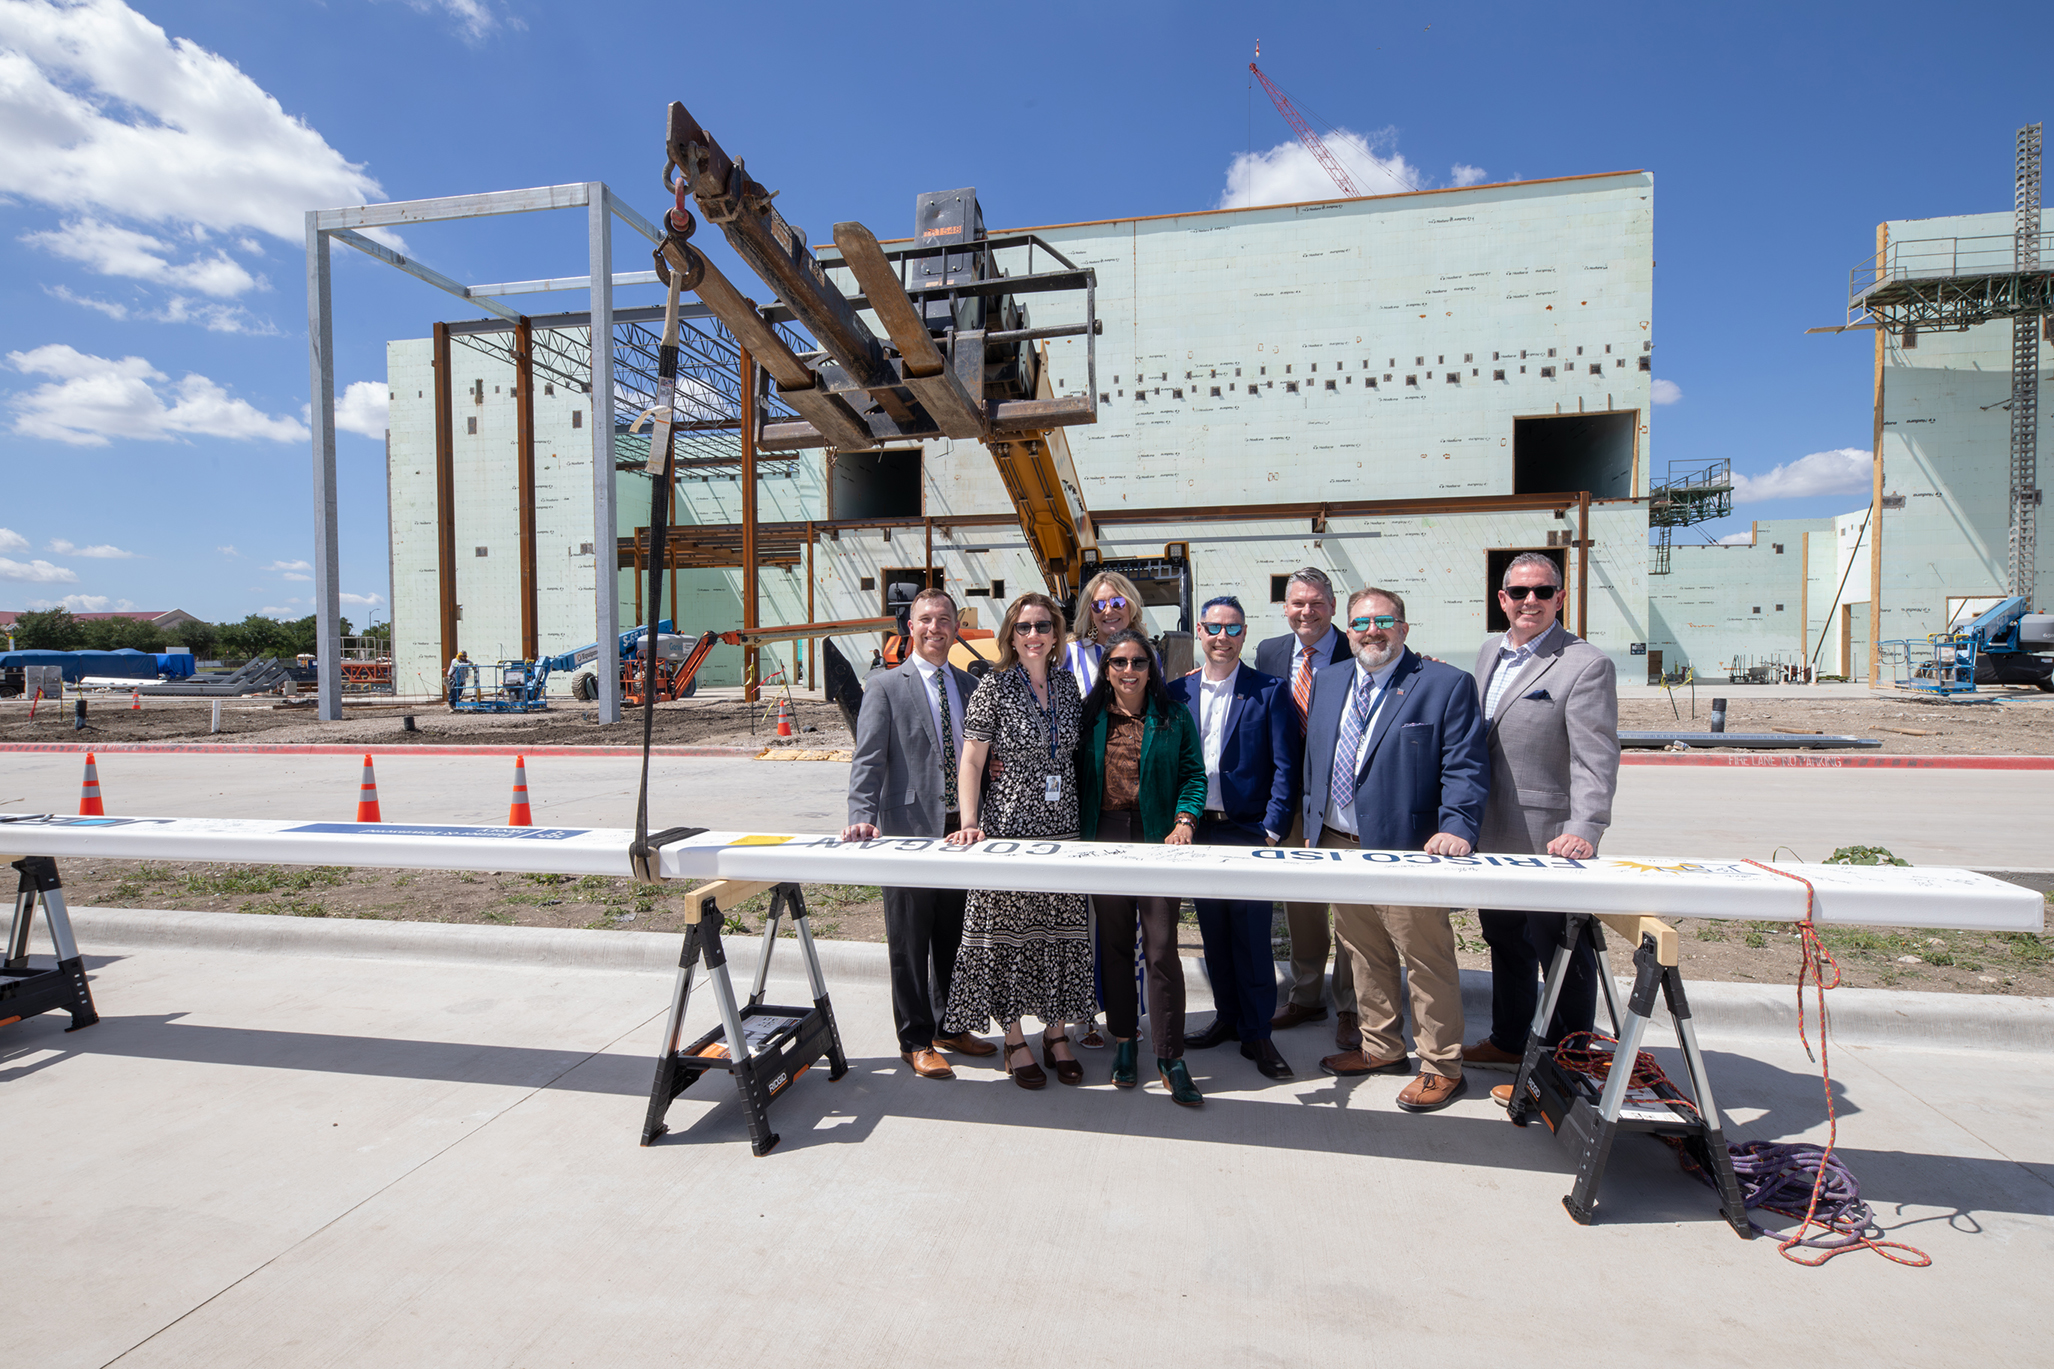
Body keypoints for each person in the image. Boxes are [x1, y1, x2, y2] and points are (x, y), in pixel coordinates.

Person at [1301, 586, 1489, 1113]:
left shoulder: (1443, 684)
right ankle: (1381, 1047)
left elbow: (1465, 767)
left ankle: (1441, 1065)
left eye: (1383, 621)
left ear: (1404, 629)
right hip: (1340, 845)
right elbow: (1320, 756)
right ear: (1349, 631)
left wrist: (1457, 826)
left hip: (1409, 851)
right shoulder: (1330, 678)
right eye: (1360, 623)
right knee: (1362, 953)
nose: (1371, 631)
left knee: (1425, 960)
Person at [1461, 552, 1620, 1074]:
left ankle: (1566, 1061)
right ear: (1502, 599)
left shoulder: (1585, 663)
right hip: (1494, 832)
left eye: (1543, 591)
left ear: (1560, 599)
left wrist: (1586, 827)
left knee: (1561, 952)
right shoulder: (1489, 652)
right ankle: (1510, 1041)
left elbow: (1594, 757)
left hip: (1550, 839)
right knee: (1504, 940)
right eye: (1520, 592)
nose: (1531, 601)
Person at [941, 594, 1097, 1089]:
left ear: (1057, 634)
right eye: (1025, 626)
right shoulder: (993, 685)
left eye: (1044, 626)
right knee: (1008, 934)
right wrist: (970, 819)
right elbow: (971, 759)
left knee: (1060, 933)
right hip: (1009, 827)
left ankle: (1055, 1034)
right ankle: (1013, 1039)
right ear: (1011, 634)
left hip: (1063, 828)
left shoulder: (1069, 685)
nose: (1035, 635)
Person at [843, 588, 997, 1081]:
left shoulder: (970, 686)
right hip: (908, 831)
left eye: (945, 619)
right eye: (926, 619)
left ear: (957, 627)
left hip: (961, 829)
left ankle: (950, 1027)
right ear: (910, 627)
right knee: (909, 941)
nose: (936, 628)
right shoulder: (885, 687)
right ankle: (914, 1039)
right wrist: (861, 813)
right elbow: (868, 759)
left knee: (955, 935)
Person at [1077, 628, 1208, 1105]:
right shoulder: (1089, 716)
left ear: (1151, 669)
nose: (1128, 671)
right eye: (1118, 662)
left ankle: (1170, 1056)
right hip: (1104, 836)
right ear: (1106, 669)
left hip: (1157, 837)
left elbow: (1194, 774)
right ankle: (1125, 1042)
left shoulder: (1174, 716)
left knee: (1160, 949)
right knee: (1112, 945)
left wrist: (1185, 820)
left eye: (1138, 662)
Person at [1172, 595, 1300, 1080]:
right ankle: (1226, 1018)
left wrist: (1272, 829)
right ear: (1199, 633)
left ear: (1244, 635)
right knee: (1213, 931)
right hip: (1199, 829)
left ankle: (1258, 1033)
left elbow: (1286, 765)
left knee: (1252, 935)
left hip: (1249, 830)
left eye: (1233, 629)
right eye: (1213, 628)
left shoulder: (1268, 690)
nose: (1222, 637)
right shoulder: (1177, 692)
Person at [1252, 566, 1358, 1050]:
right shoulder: (1270, 651)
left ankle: (1354, 1005)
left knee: (1352, 906)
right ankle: (1307, 993)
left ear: (1333, 607)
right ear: (1285, 607)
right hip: (1288, 797)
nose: (1306, 612)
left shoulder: (1354, 647)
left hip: (1340, 797)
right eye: (1298, 603)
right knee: (1302, 904)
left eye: (1316, 603)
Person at [1058, 568, 1146, 1049]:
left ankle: (1123, 1013)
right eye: (1099, 604)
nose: (1109, 611)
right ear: (1087, 611)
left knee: (1122, 917)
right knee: (1082, 912)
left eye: (1117, 603)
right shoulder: (1070, 654)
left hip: (1128, 805)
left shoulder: (1148, 655)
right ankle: (1080, 1014)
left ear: (1131, 606)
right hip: (1076, 797)